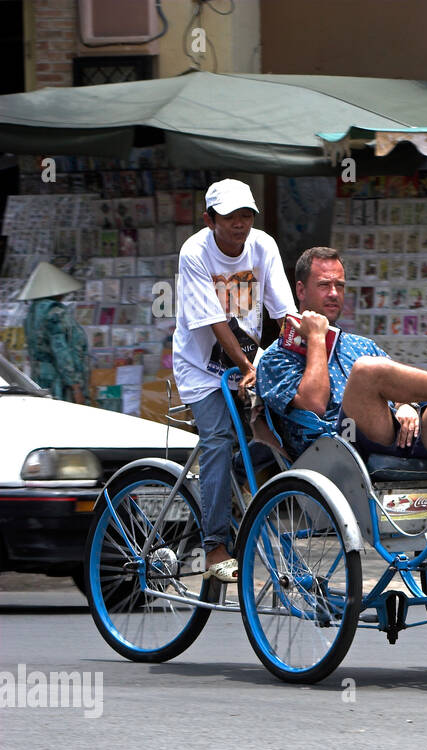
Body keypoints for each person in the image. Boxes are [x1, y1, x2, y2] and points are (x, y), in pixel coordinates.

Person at [257, 247, 427, 470]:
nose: (333, 293)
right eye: (324, 285)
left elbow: (404, 390)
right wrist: (317, 339)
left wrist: (408, 406)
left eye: (340, 286)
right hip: (337, 448)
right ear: (301, 291)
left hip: (395, 433)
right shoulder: (276, 357)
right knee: (366, 370)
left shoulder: (360, 344)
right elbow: (314, 404)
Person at [172, 179, 295, 583]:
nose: (239, 224)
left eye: (246, 215)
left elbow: (283, 313)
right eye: (229, 218)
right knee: (220, 438)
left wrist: (300, 350)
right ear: (209, 220)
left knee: (278, 433)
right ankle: (214, 547)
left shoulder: (263, 246)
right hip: (200, 369)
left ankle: (233, 501)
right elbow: (213, 321)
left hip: (248, 361)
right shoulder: (195, 252)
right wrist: (246, 366)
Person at [17, 262, 90, 404]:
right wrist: (75, 387)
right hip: (59, 383)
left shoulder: (31, 314)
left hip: (40, 379)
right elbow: (61, 352)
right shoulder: (55, 313)